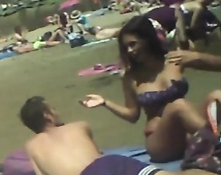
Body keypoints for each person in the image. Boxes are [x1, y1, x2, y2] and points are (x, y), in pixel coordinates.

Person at [21, 96, 221, 175]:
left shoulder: (32, 146)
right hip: (112, 162)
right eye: (53, 109)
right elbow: (95, 153)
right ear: (47, 115)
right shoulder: (79, 126)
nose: (57, 112)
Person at [80, 16, 221, 164]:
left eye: (133, 44)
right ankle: (216, 142)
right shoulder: (130, 77)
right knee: (178, 106)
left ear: (147, 39)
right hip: (161, 142)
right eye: (126, 47)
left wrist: (196, 56)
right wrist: (105, 102)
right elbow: (132, 115)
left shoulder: (174, 60)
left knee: (216, 96)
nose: (130, 51)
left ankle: (209, 140)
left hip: (188, 135)